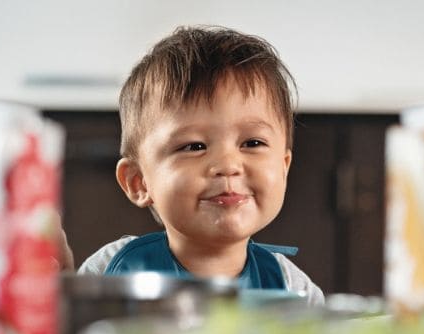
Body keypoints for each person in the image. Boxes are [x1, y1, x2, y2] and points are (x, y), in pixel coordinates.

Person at [78, 25, 323, 304]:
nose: (228, 164)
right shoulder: (111, 274)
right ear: (139, 181)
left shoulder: (293, 289)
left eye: (252, 143)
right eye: (194, 146)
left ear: (283, 166)